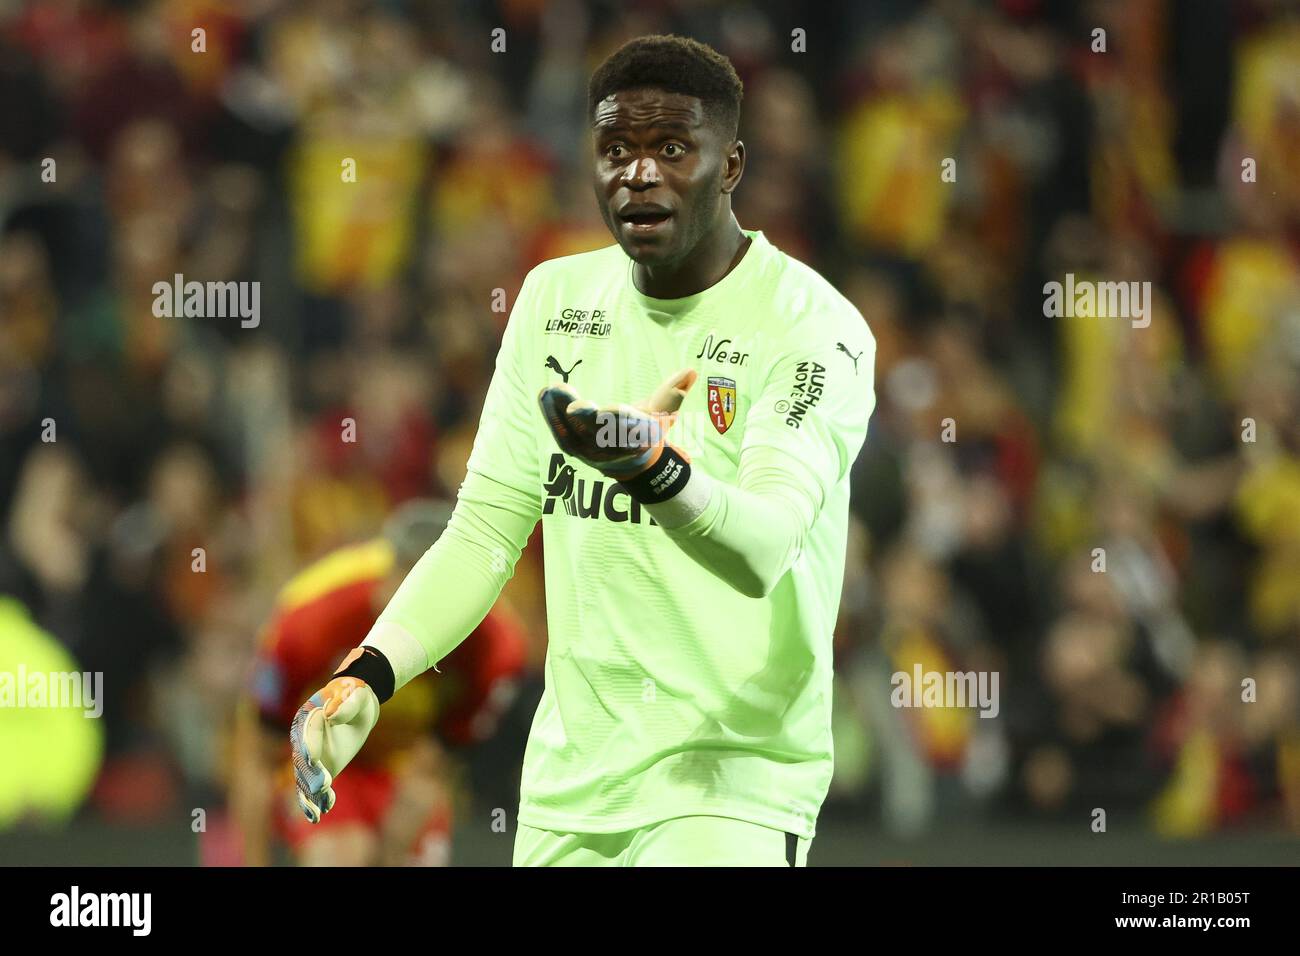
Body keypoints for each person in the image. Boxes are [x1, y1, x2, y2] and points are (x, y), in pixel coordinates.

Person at [291, 34, 876, 867]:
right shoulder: (553, 300)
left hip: (729, 783)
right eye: (615, 149)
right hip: (569, 790)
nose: (638, 174)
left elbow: (765, 548)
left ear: (732, 165)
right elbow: (483, 533)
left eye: (671, 149)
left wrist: (655, 473)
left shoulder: (811, 328)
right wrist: (371, 674)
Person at [232, 499, 525, 865]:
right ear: (388, 577)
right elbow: (257, 755)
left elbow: (435, 765)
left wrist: (396, 843)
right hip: (325, 760)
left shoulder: (496, 648)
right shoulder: (309, 617)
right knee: (339, 857)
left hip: (407, 767)